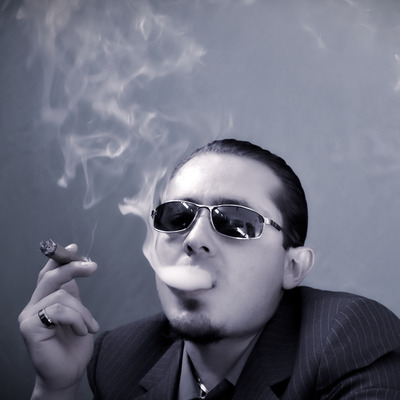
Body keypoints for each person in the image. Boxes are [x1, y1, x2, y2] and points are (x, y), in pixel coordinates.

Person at [19, 138, 400, 399]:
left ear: (293, 267)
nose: (193, 238)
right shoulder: (118, 359)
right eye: (177, 216)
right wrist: (55, 388)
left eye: (236, 221)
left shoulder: (346, 342)